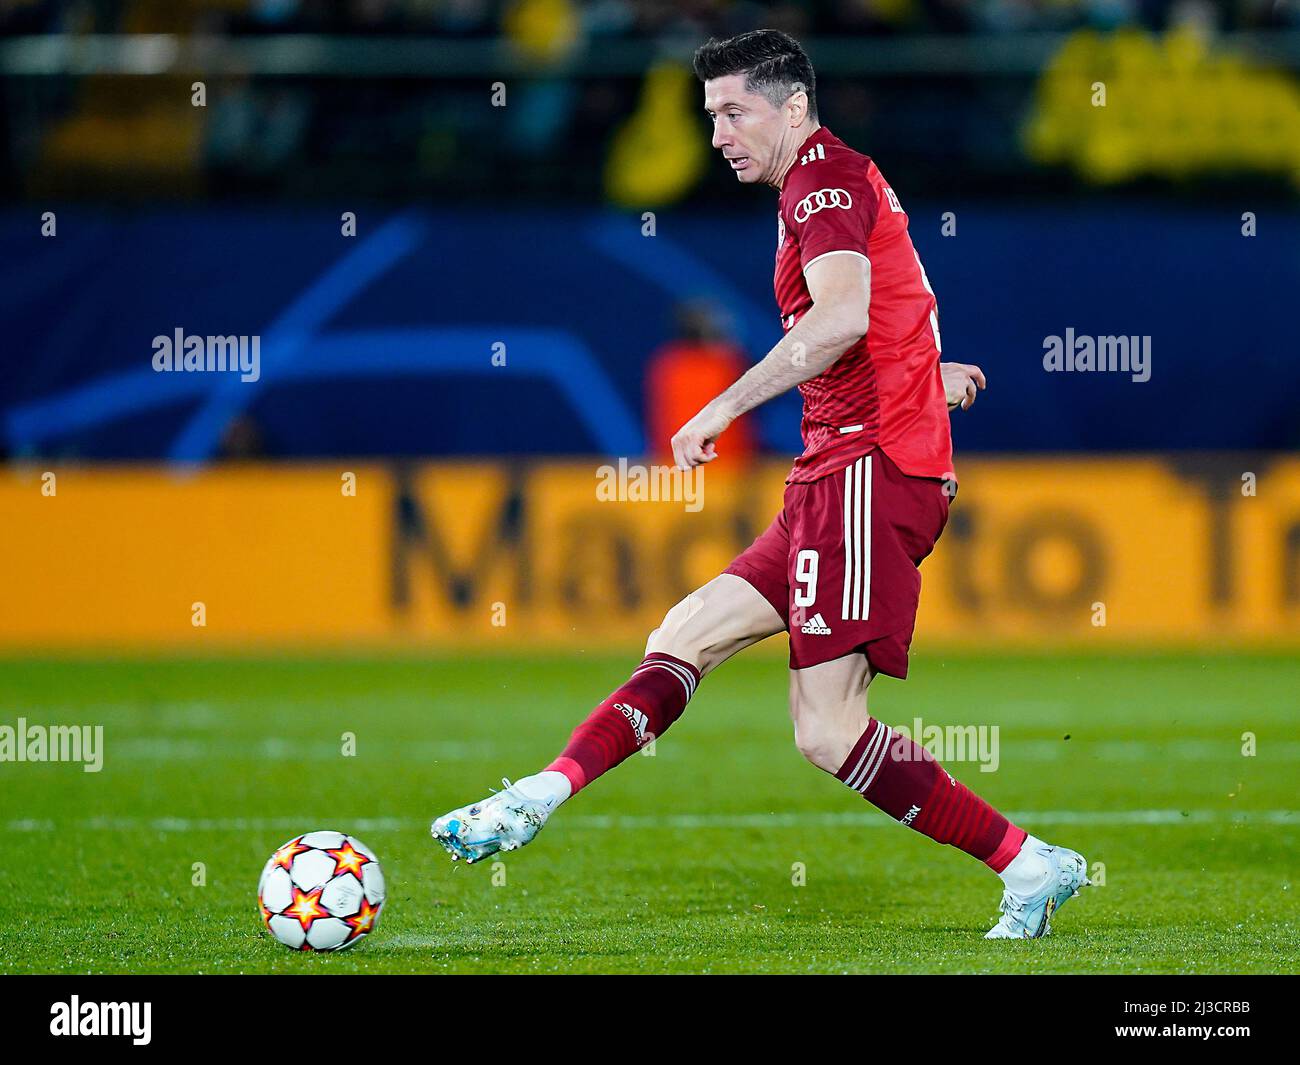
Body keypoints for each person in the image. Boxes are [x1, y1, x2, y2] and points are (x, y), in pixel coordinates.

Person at [432, 29, 1088, 940]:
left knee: (826, 730)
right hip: (837, 470)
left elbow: (844, 314)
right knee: (684, 635)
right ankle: (539, 795)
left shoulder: (821, 182)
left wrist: (722, 405)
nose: (718, 134)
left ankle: (1028, 863)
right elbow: (889, 302)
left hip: (867, 471)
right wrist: (927, 370)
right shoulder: (830, 181)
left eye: (733, 112)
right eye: (710, 116)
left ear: (792, 107)